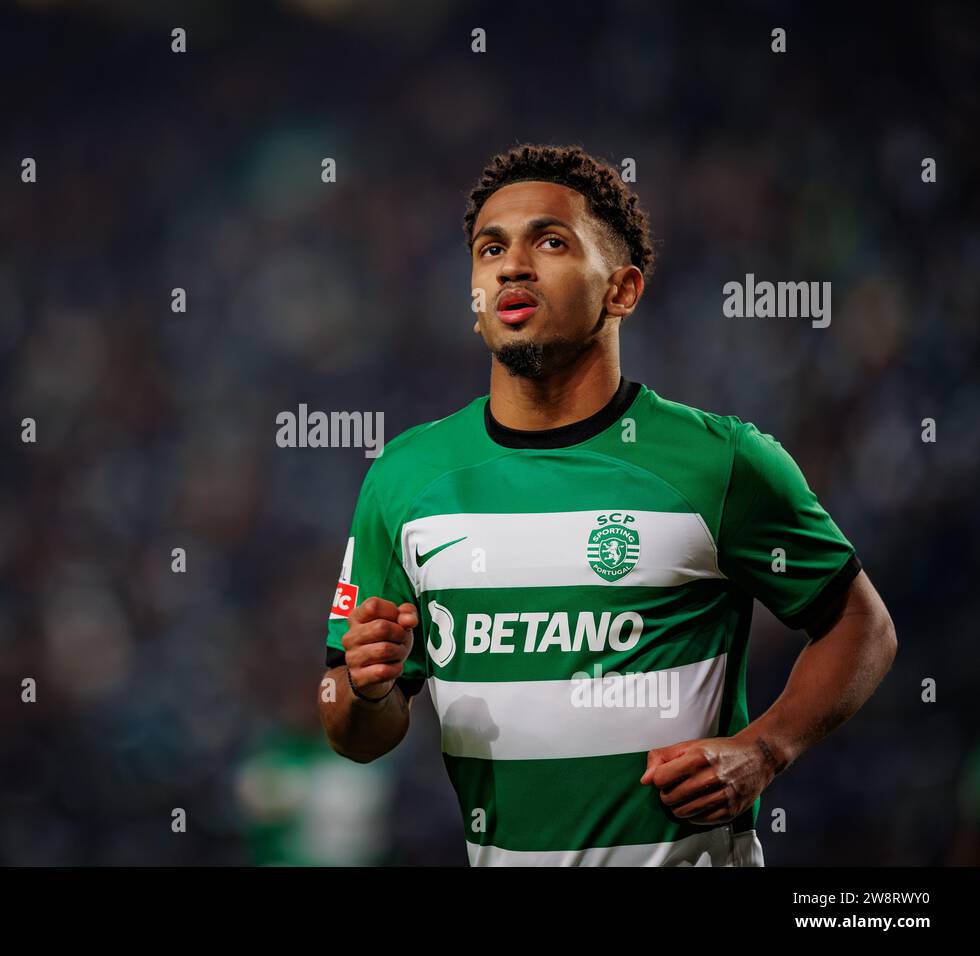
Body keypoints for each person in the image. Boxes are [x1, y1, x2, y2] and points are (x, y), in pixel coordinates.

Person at [317, 144, 897, 866]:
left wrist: (765, 749)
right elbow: (352, 730)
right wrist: (365, 691)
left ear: (622, 290)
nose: (511, 266)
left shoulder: (721, 461)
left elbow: (861, 625)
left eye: (550, 242)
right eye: (489, 248)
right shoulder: (405, 476)